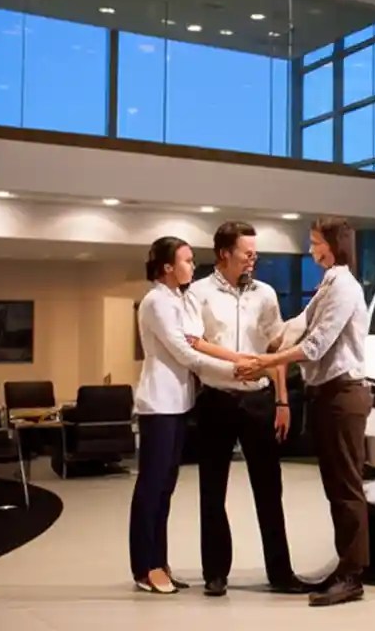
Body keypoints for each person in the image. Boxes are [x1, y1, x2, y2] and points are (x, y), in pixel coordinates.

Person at [235, 216, 370, 607]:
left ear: (333, 244)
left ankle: (352, 576)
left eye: (315, 243)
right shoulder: (330, 282)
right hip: (326, 395)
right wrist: (272, 335)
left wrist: (263, 362)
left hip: (343, 394)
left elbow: (316, 346)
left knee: (346, 489)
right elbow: (301, 324)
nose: (311, 250)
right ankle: (345, 565)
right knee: (334, 487)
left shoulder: (343, 286)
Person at [183, 221, 310, 597]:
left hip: (258, 399)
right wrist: (234, 361)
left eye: (255, 251)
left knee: (270, 490)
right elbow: (194, 342)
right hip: (216, 399)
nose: (253, 257)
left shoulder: (266, 294)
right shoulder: (199, 293)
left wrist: (282, 399)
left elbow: (276, 350)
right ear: (224, 253)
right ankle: (215, 574)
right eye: (247, 252)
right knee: (212, 490)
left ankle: (281, 573)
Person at [130, 236, 241, 594]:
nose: (193, 266)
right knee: (151, 488)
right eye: (187, 260)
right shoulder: (155, 301)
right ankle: (145, 566)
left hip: (179, 403)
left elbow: (196, 339)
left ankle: (159, 562)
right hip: (159, 404)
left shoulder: (180, 298)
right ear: (167, 267)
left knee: (166, 489)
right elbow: (185, 352)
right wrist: (238, 368)